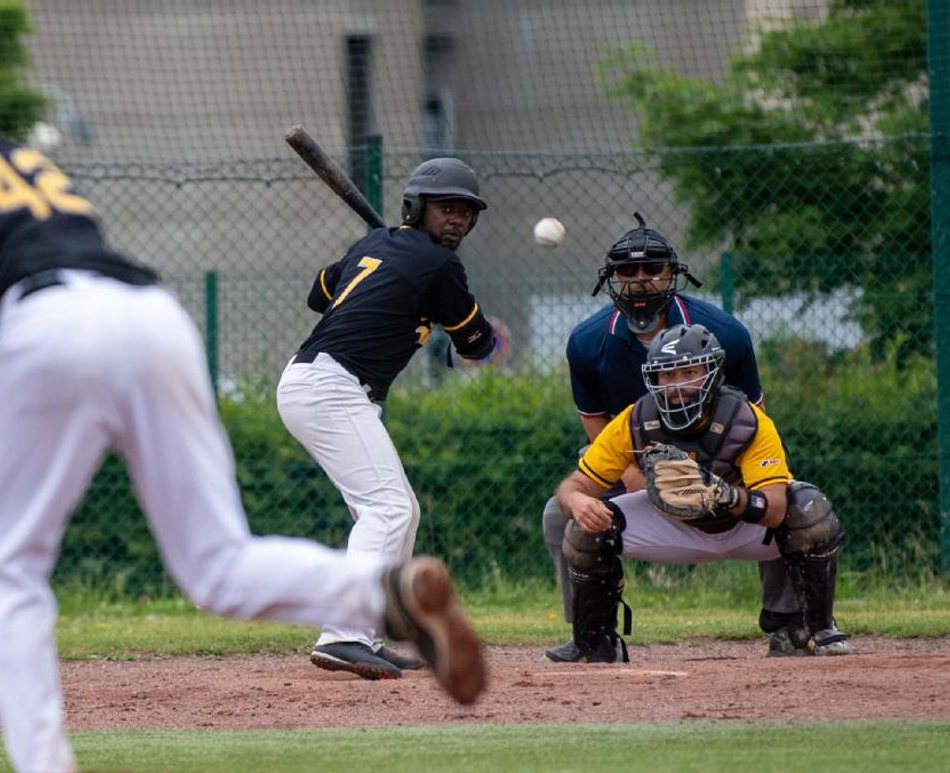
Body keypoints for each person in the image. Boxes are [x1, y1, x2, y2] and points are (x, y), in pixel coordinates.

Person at [0, 35, 486, 773]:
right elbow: (30, 339)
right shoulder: (11, 155)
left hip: (49, 325)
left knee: (11, 571)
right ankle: (381, 592)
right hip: (151, 314)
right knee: (217, 562)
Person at [540, 214, 826, 661]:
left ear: (672, 274)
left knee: (800, 505)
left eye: (652, 268)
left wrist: (727, 486)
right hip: (637, 454)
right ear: (611, 279)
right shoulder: (587, 342)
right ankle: (590, 633)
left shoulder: (725, 334)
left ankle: (790, 624)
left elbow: (754, 422)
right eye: (627, 271)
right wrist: (640, 479)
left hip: (720, 458)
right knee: (561, 516)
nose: (640, 280)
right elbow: (597, 434)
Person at [277, 158, 496, 680]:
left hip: (322, 385)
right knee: (389, 510)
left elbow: (320, 291)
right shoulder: (437, 265)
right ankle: (343, 633)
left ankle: (365, 631)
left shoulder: (372, 247)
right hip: (331, 387)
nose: (457, 220)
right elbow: (478, 344)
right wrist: (413, 269)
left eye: (465, 212)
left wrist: (385, 252)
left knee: (400, 511)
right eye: (446, 208)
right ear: (416, 209)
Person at [553, 323, 850, 663]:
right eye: (666, 375)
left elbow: (776, 509)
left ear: (712, 373)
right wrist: (578, 500)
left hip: (743, 525)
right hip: (672, 525)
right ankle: (595, 643)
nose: (676, 385)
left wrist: (724, 496)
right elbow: (572, 487)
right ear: (653, 379)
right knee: (584, 529)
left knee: (809, 510)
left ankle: (813, 629)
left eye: (688, 372)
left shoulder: (746, 420)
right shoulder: (636, 420)